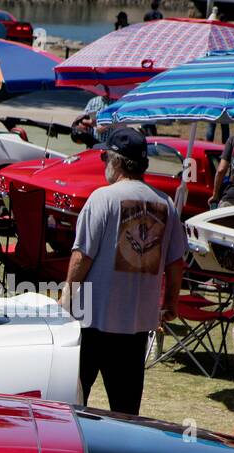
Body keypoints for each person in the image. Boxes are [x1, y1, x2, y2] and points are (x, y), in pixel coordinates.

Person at [61, 127, 185, 416]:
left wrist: (66, 298)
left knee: (74, 405)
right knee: (127, 412)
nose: (104, 163)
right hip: (136, 325)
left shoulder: (102, 198)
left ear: (116, 161)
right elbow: (175, 261)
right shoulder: (165, 204)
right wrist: (171, 302)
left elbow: (82, 256)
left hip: (93, 321)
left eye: (105, 157)